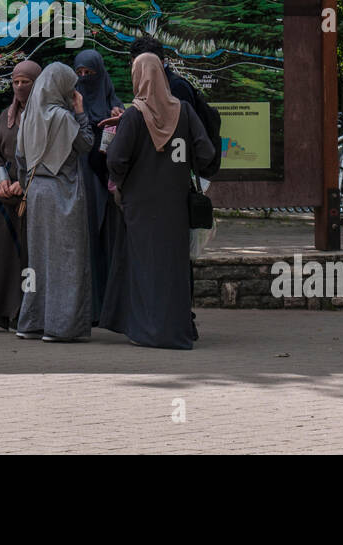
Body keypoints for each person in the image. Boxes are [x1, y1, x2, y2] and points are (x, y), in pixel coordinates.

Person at [101, 52, 216, 349]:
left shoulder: (134, 115)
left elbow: (116, 159)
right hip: (176, 204)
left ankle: (147, 330)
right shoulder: (185, 110)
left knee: (144, 267)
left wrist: (124, 181)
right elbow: (206, 154)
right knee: (174, 269)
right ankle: (177, 329)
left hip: (140, 205)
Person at [15, 61, 95, 342]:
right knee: (67, 260)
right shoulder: (62, 117)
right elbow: (86, 143)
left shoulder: (28, 117)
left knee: (39, 260)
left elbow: (20, 160)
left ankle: (31, 323)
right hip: (63, 192)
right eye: (71, 86)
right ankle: (61, 327)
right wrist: (81, 112)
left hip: (37, 192)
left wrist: (29, 186)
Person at [0, 59, 40, 331]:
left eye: (26, 82)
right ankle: (0, 310)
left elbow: (47, 156)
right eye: (15, 82)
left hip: (33, 199)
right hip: (5, 201)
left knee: (27, 258)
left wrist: (24, 183)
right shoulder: (7, 116)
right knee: (2, 256)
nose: (20, 87)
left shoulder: (46, 116)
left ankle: (24, 312)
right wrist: (2, 181)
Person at [72, 48, 124, 322]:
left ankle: (110, 308)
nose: (84, 79)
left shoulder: (115, 104)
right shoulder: (69, 106)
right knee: (87, 242)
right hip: (82, 182)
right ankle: (89, 308)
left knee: (109, 243)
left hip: (108, 183)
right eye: (79, 73)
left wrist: (121, 120)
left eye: (89, 73)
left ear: (100, 74)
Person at [128, 35, 221, 176]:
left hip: (174, 168)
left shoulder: (176, 87)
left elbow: (183, 131)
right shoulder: (151, 87)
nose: (137, 71)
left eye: (141, 66)